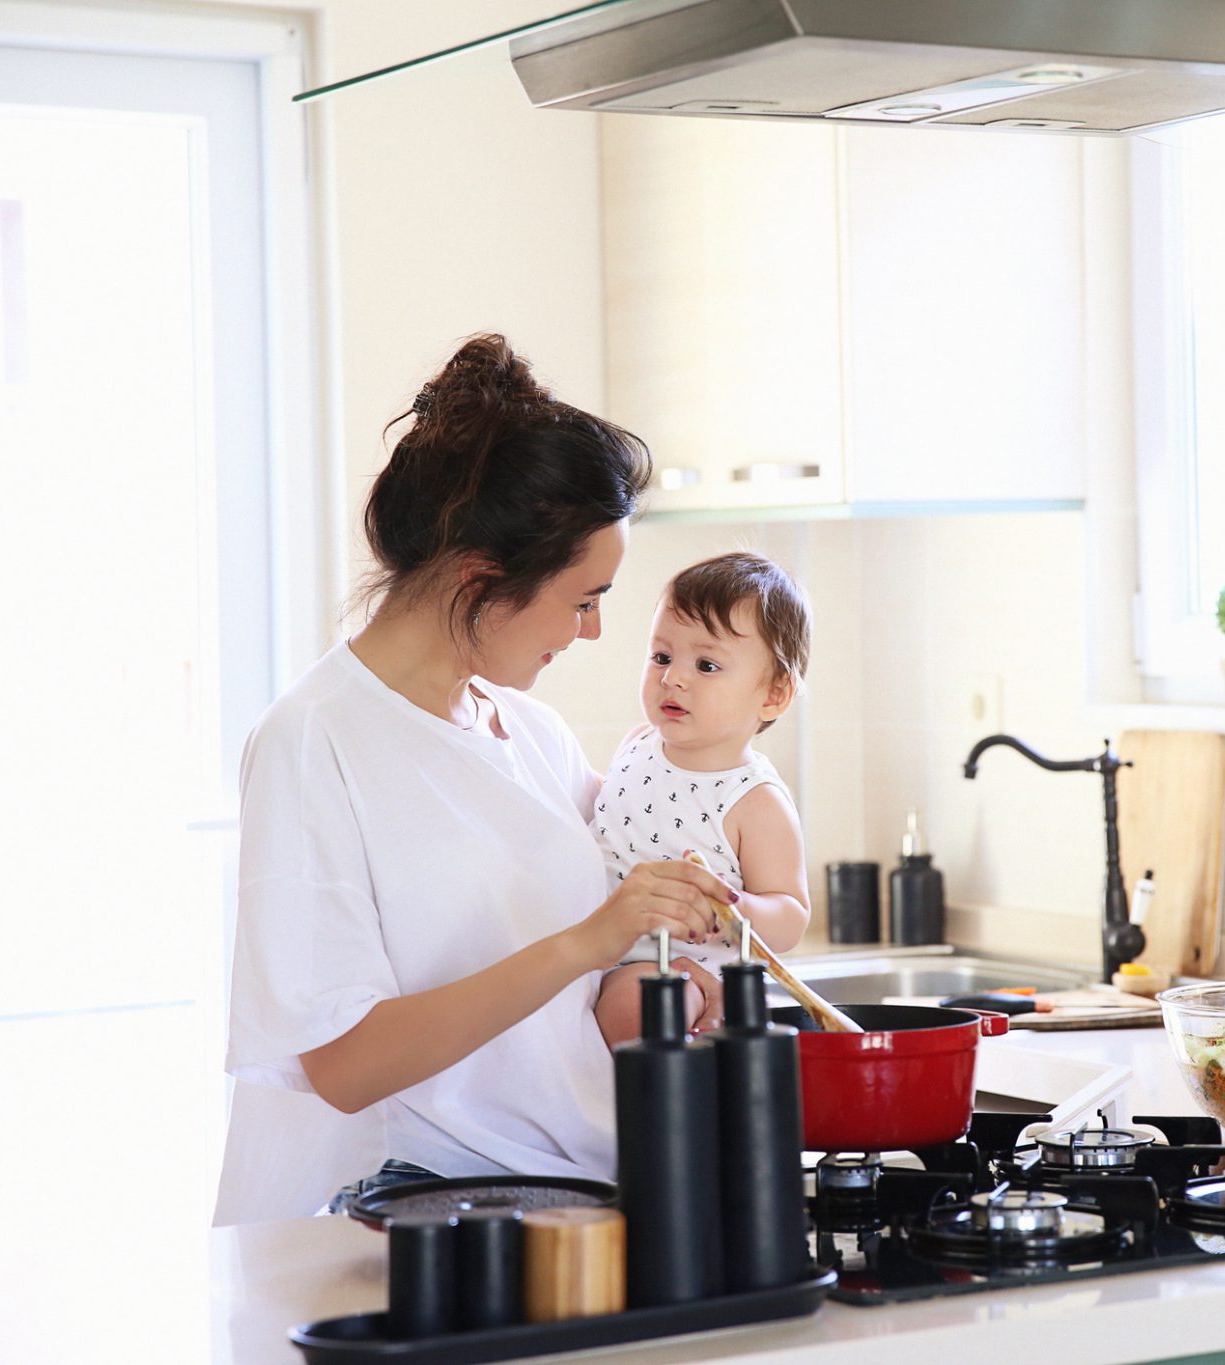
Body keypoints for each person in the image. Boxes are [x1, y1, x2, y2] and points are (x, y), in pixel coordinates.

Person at [217, 333, 740, 1222]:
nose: (591, 633)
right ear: (480, 579)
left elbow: (581, 977)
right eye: (582, 600)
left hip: (569, 1194)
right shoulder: (315, 741)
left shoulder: (529, 731)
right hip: (406, 1220)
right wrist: (590, 939)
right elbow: (343, 1063)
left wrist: (659, 975)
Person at [591, 553, 814, 1047]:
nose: (674, 678)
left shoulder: (754, 801)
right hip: (595, 949)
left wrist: (730, 907)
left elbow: (791, 916)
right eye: (662, 657)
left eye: (706, 664)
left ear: (774, 695)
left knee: (637, 1009)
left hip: (679, 969)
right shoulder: (636, 744)